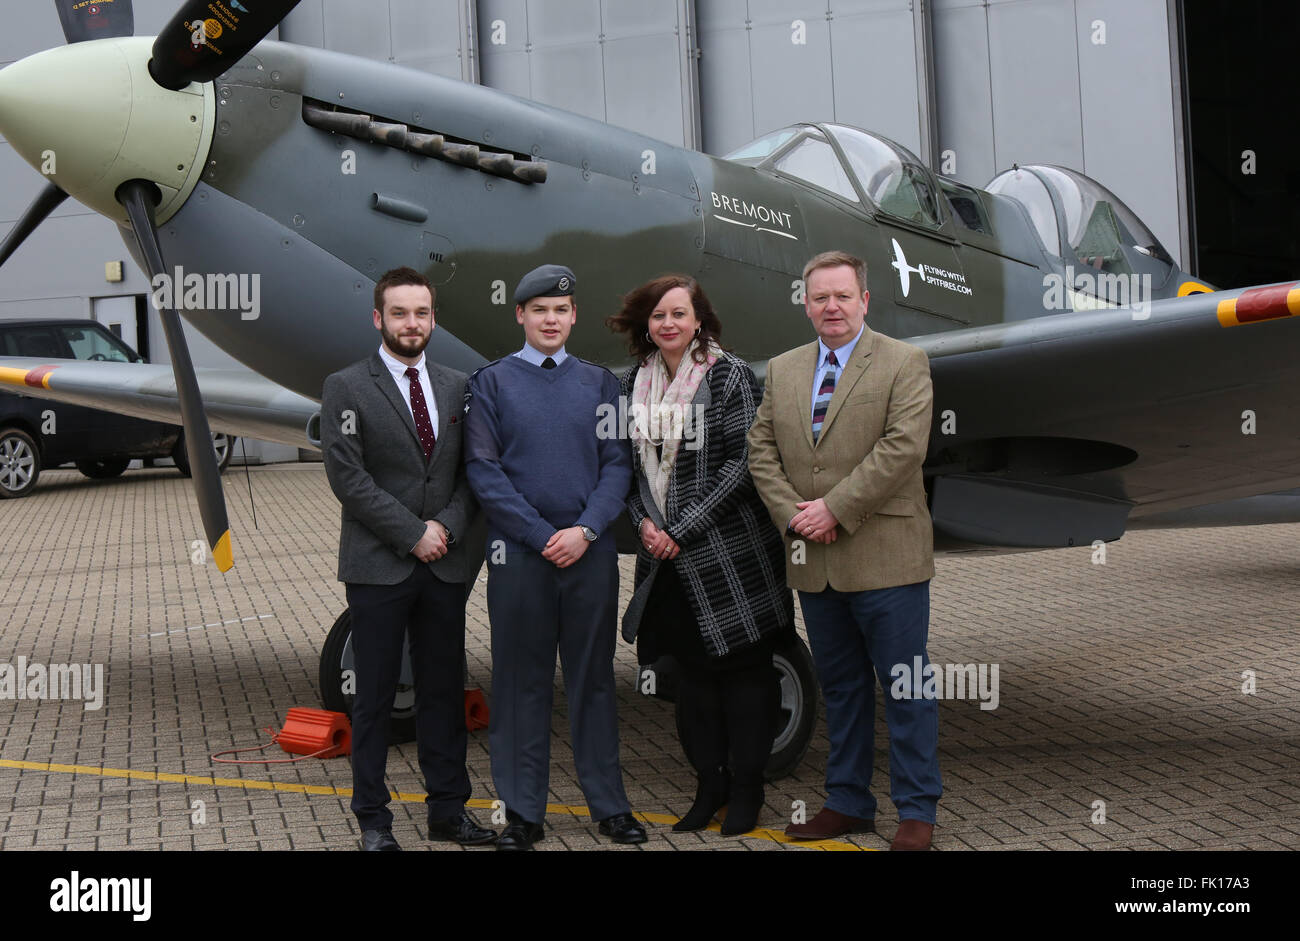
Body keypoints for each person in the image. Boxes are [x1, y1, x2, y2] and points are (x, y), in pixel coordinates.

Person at [747, 250, 941, 851]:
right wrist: (797, 517)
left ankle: (916, 810)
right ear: (805, 304)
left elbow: (903, 449)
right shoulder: (782, 371)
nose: (831, 306)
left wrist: (834, 508)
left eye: (842, 295)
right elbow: (761, 453)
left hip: (887, 558)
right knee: (843, 689)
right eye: (819, 297)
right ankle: (848, 802)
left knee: (904, 686)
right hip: (817, 563)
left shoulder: (905, 362)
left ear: (864, 300)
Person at [463, 264, 646, 851]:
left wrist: (587, 530)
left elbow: (619, 464)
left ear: (573, 317)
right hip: (520, 556)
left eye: (561, 310)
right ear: (520, 315)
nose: (550, 319)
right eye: (539, 310)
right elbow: (483, 472)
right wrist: (544, 535)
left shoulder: (600, 385)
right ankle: (522, 813)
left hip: (589, 554)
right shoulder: (490, 383)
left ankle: (610, 807)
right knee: (520, 683)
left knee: (594, 679)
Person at [608, 274, 794, 836]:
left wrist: (683, 528)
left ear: (699, 320)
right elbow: (629, 469)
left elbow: (744, 463)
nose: (668, 324)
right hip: (664, 558)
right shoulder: (631, 383)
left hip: (728, 554)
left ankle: (747, 792)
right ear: (647, 323)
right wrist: (643, 522)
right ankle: (708, 785)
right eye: (658, 315)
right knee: (691, 680)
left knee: (744, 677)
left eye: (679, 314)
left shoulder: (728, 374)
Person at [320, 266, 496, 851]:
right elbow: (348, 478)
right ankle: (373, 821)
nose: (411, 323)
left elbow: (473, 472)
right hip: (380, 566)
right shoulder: (346, 386)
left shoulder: (456, 385)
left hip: (444, 565)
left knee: (443, 693)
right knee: (371, 698)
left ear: (433, 319)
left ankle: (449, 812)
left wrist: (443, 527)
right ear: (379, 318)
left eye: (421, 313)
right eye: (400, 313)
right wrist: (411, 533)